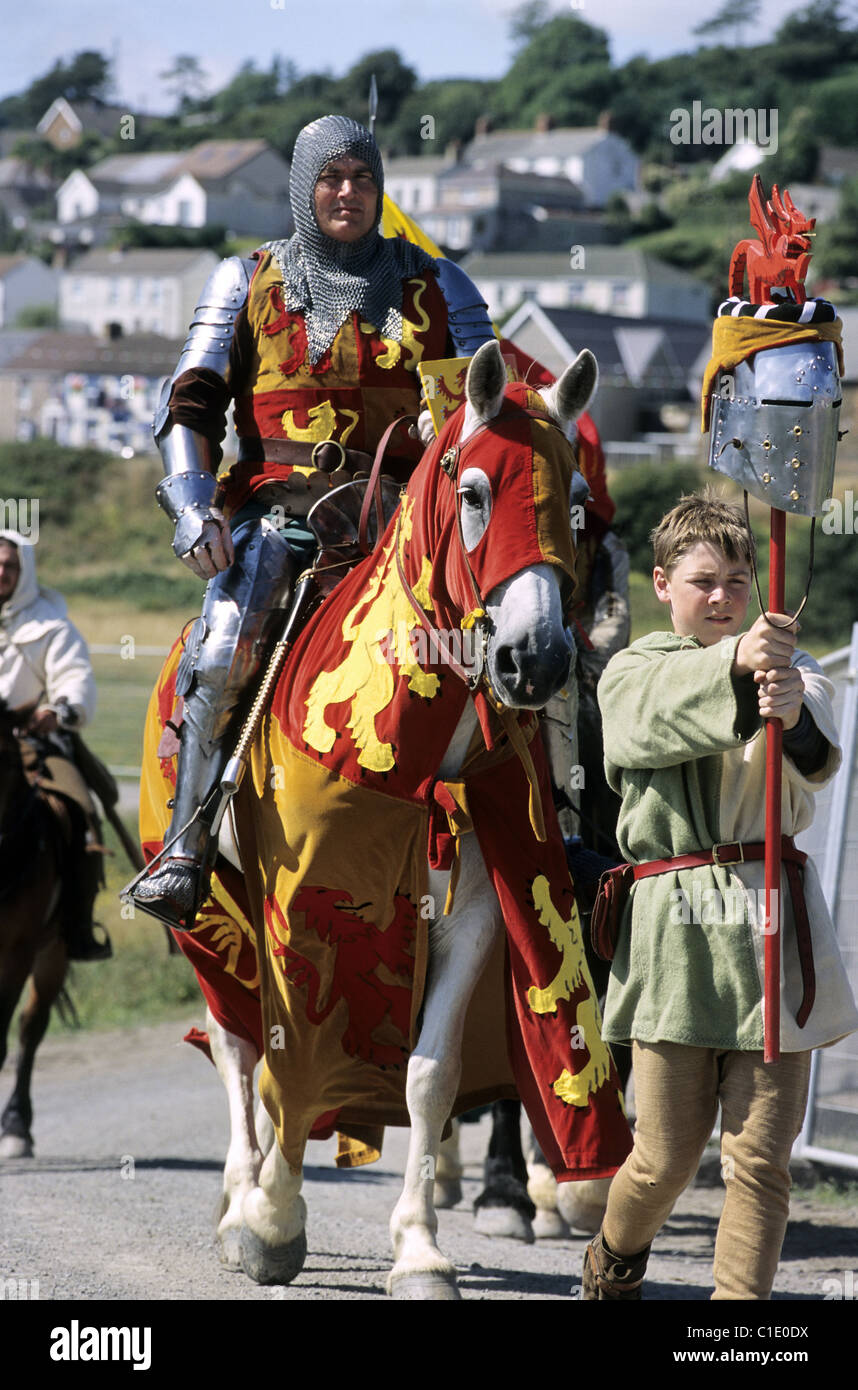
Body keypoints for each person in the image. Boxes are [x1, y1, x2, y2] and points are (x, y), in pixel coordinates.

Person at [130, 114, 495, 929]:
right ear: (304, 187)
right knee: (223, 650)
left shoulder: (441, 287)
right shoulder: (246, 280)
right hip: (283, 519)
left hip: (408, 528)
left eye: (362, 178)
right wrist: (192, 505)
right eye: (331, 178)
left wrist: (457, 450)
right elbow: (189, 403)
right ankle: (187, 848)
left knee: (515, 644)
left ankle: (549, 826)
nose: (347, 193)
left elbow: (486, 408)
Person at [583, 493, 858, 1300]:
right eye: (704, 580)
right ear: (663, 583)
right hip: (676, 930)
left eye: (738, 580)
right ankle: (612, 1263)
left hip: (776, 924)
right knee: (664, 1158)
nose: (723, 595)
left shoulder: (794, 670)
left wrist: (792, 712)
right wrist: (739, 665)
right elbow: (648, 720)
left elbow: (819, 753)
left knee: (762, 1159)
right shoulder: (632, 671)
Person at [0, 530, 110, 960]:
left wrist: (57, 710)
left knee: (79, 808)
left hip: (34, 741)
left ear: (24, 571)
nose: (2, 572)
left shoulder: (52, 625)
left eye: (10, 565)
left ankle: (78, 925)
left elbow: (75, 677)